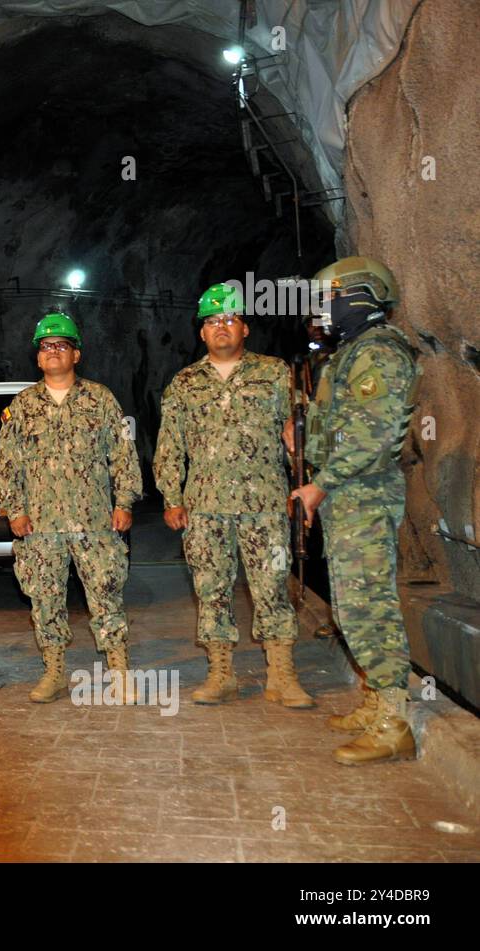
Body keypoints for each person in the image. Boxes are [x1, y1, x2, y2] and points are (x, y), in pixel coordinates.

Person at [154, 283, 313, 707]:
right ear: (201, 333)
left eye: (228, 319)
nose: (220, 327)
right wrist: (172, 497)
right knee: (211, 589)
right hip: (205, 508)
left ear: (244, 328)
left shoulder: (276, 373)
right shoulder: (185, 383)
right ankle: (221, 672)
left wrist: (302, 472)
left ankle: (282, 674)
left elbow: (303, 433)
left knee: (272, 587)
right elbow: (170, 445)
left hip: (265, 503)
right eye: (211, 322)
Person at [290, 256, 420, 765]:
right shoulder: (350, 354)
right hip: (348, 497)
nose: (323, 310)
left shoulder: (380, 353)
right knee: (349, 606)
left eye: (329, 299)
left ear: (360, 297)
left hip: (361, 494)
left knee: (371, 608)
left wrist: (321, 484)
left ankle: (394, 723)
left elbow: (373, 434)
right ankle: (375, 703)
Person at [0, 312, 142, 703]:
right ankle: (55, 672)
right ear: (38, 358)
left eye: (61, 345)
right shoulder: (23, 406)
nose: (53, 352)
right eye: (46, 347)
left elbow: (123, 457)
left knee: (106, 594)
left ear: (76, 354)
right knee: (45, 600)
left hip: (94, 520)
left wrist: (124, 501)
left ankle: (119, 671)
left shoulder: (100, 399)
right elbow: (8, 464)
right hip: (40, 526)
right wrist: (15, 511)